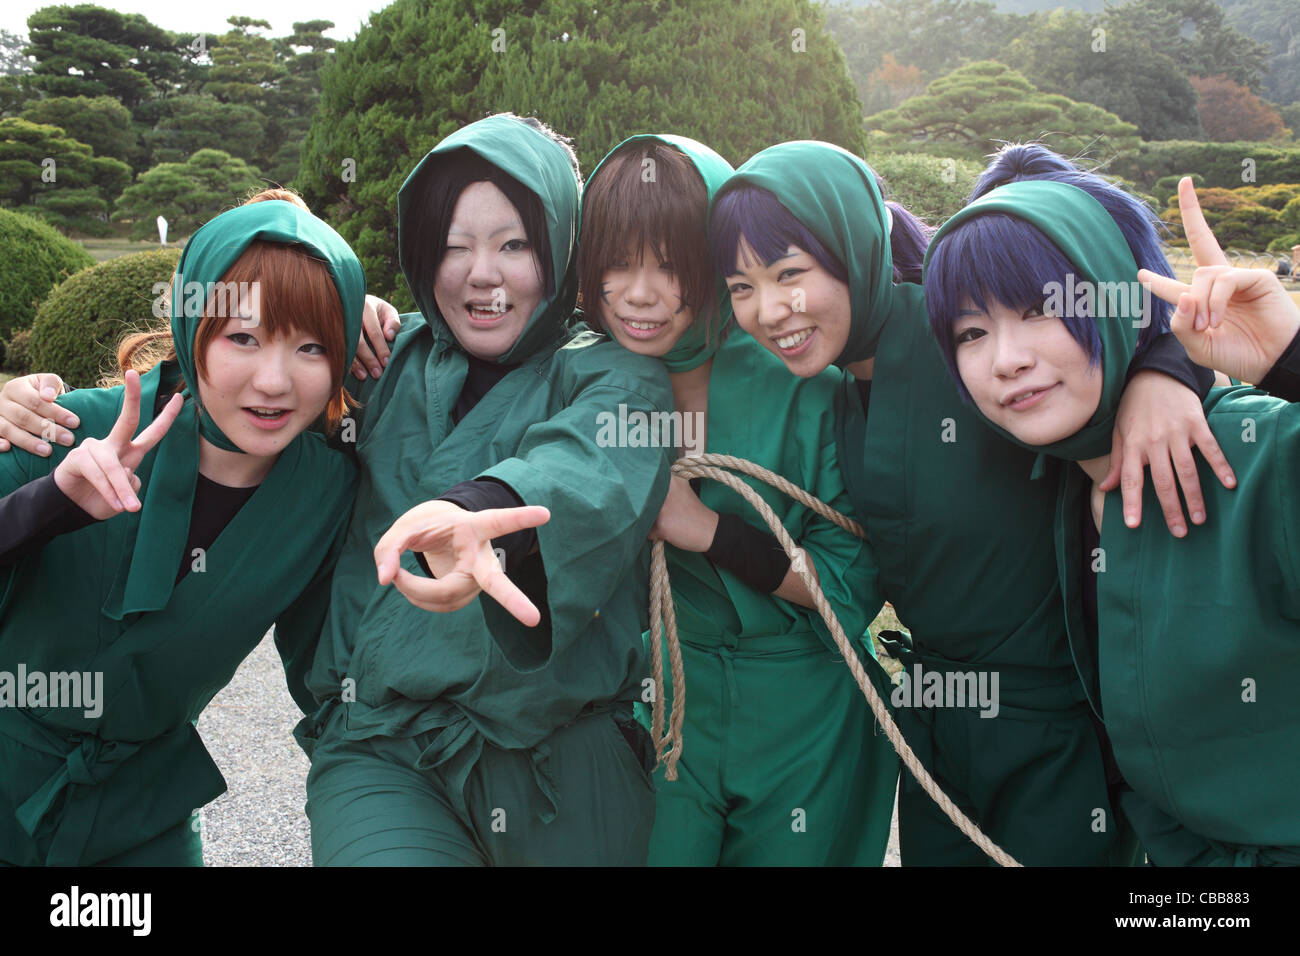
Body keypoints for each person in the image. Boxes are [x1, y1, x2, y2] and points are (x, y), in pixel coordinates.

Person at [707, 140, 1232, 865]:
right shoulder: (832, 386)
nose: (769, 309)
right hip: (937, 730)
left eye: (790, 272)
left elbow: (1098, 340)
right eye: (740, 287)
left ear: (854, 246)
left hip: (1059, 739)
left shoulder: (958, 332)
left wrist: (1169, 372)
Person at [289, 113, 675, 866]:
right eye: (453, 246)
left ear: (561, 246)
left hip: (568, 756)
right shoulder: (383, 355)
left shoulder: (617, 374)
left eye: (514, 245)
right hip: (383, 750)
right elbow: (238, 385)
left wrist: (480, 512)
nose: (481, 274)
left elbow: (587, 468)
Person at [923, 171, 1300, 865]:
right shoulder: (1057, 481)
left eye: (1040, 309)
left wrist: (1290, 358)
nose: (1007, 360)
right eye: (972, 332)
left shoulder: (1257, 456)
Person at [0, 190, 365, 865]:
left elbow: (328, 678)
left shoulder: (326, 492)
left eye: (312, 345)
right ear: (192, 324)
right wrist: (47, 504)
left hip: (140, 815)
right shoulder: (61, 426)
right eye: (244, 338)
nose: (275, 379)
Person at [578, 134, 898, 865]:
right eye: (616, 262)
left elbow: (851, 581)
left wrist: (708, 530)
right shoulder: (587, 378)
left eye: (671, 263)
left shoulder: (807, 380)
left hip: (804, 705)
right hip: (664, 701)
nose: (638, 292)